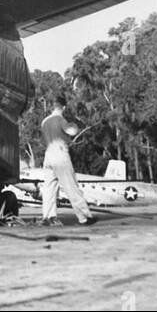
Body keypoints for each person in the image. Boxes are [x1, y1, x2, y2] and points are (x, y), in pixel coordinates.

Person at [39, 94, 95, 226]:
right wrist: (75, 124)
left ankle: (48, 217)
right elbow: (72, 132)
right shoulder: (60, 119)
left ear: (54, 105)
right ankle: (84, 217)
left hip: (48, 155)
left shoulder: (44, 121)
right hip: (60, 154)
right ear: (63, 107)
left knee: (49, 189)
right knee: (71, 186)